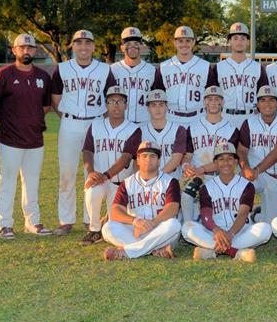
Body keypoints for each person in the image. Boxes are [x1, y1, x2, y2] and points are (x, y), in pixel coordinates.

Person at [0, 33, 53, 239]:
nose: (26, 51)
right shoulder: (2, 75)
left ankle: (32, 222)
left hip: (35, 139)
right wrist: (7, 122)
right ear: (14, 50)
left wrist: (30, 121)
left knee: (32, 182)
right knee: (7, 181)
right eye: (22, 47)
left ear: (35, 50)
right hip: (10, 140)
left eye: (30, 48)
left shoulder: (43, 76)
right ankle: (5, 224)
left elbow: (46, 105)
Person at [51, 29, 116, 235]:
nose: (84, 47)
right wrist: (69, 117)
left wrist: (99, 122)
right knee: (67, 172)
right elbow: (55, 99)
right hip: (70, 123)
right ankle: (66, 219)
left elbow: (111, 99)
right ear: (73, 46)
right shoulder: (61, 68)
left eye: (88, 43)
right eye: (79, 43)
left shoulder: (104, 70)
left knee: (93, 172)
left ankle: (91, 219)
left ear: (94, 46)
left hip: (96, 122)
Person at [181, 143, 273, 263]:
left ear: (236, 161)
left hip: (239, 231)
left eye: (230, 158)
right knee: (186, 228)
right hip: (214, 233)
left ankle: (212, 251)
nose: (226, 163)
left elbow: (243, 214)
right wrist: (217, 231)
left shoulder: (247, 185)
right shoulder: (207, 187)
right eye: (221, 159)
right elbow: (206, 216)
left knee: (265, 229)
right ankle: (236, 252)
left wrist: (230, 234)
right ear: (215, 163)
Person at [80, 86, 141, 246]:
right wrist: (91, 171)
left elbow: (126, 157)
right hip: (99, 179)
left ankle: (105, 223)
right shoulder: (95, 125)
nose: (116, 105)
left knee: (114, 227)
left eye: (120, 101)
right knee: (92, 192)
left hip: (121, 185)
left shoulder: (134, 129)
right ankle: (93, 230)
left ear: (126, 105)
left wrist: (105, 175)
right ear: (106, 104)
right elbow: (87, 150)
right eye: (112, 101)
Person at [102, 141, 182, 261]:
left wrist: (153, 223)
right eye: (144, 156)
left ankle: (128, 252)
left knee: (174, 225)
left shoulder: (170, 182)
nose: (148, 160)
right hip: (135, 230)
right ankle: (154, 250)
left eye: (153, 156)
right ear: (138, 160)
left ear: (159, 160)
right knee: (108, 227)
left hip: (159, 229)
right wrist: (135, 221)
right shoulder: (127, 183)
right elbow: (116, 211)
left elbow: (173, 208)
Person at [237, 85, 277, 223]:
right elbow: (241, 150)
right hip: (255, 175)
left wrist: (256, 169)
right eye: (263, 100)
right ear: (257, 104)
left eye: (271, 100)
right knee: (238, 186)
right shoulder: (249, 122)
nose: (267, 104)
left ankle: (256, 216)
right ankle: (238, 218)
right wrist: (245, 168)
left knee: (273, 223)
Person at [181, 86, 240, 222]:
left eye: (217, 99)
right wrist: (186, 166)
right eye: (209, 99)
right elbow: (188, 155)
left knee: (217, 220)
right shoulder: (193, 127)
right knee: (186, 196)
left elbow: (225, 161)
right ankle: (187, 227)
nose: (213, 102)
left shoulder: (232, 130)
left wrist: (203, 168)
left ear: (222, 102)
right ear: (205, 102)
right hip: (197, 177)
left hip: (220, 177)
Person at [154, 25, 216, 126]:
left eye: (188, 40)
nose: (184, 44)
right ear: (174, 42)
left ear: (193, 42)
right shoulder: (164, 67)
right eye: (180, 41)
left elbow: (212, 95)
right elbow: (158, 95)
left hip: (198, 118)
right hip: (171, 119)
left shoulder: (205, 66)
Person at [215, 22, 268, 129]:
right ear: (229, 41)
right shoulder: (218, 67)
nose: (239, 41)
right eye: (235, 38)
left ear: (248, 42)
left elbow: (264, 96)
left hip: (251, 118)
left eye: (243, 38)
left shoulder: (258, 68)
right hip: (225, 117)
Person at [110, 27, 156, 124]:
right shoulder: (113, 70)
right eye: (128, 44)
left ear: (142, 46)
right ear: (122, 47)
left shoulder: (151, 70)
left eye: (136, 44)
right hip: (120, 124)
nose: (132, 47)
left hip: (145, 123)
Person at [138, 89, 188, 176]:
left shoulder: (179, 130)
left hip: (173, 181)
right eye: (153, 105)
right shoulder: (140, 131)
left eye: (161, 105)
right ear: (148, 108)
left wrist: (156, 177)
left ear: (166, 107)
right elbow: (136, 161)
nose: (157, 109)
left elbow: (176, 161)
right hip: (147, 183)